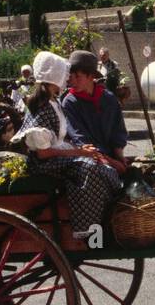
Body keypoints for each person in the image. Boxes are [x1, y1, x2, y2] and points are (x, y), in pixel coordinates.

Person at [12, 52, 124, 237]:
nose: (67, 78)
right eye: (64, 74)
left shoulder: (53, 101)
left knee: (94, 166)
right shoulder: (44, 106)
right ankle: (87, 229)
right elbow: (43, 154)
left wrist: (83, 152)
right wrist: (78, 152)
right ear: (53, 77)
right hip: (43, 163)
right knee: (92, 168)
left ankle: (106, 213)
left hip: (56, 155)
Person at [60, 50, 128, 172]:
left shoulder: (109, 98)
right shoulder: (70, 102)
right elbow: (80, 139)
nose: (72, 81)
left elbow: (118, 130)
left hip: (111, 157)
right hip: (88, 159)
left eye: (77, 76)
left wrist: (119, 156)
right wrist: (111, 162)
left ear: (91, 76)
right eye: (70, 76)